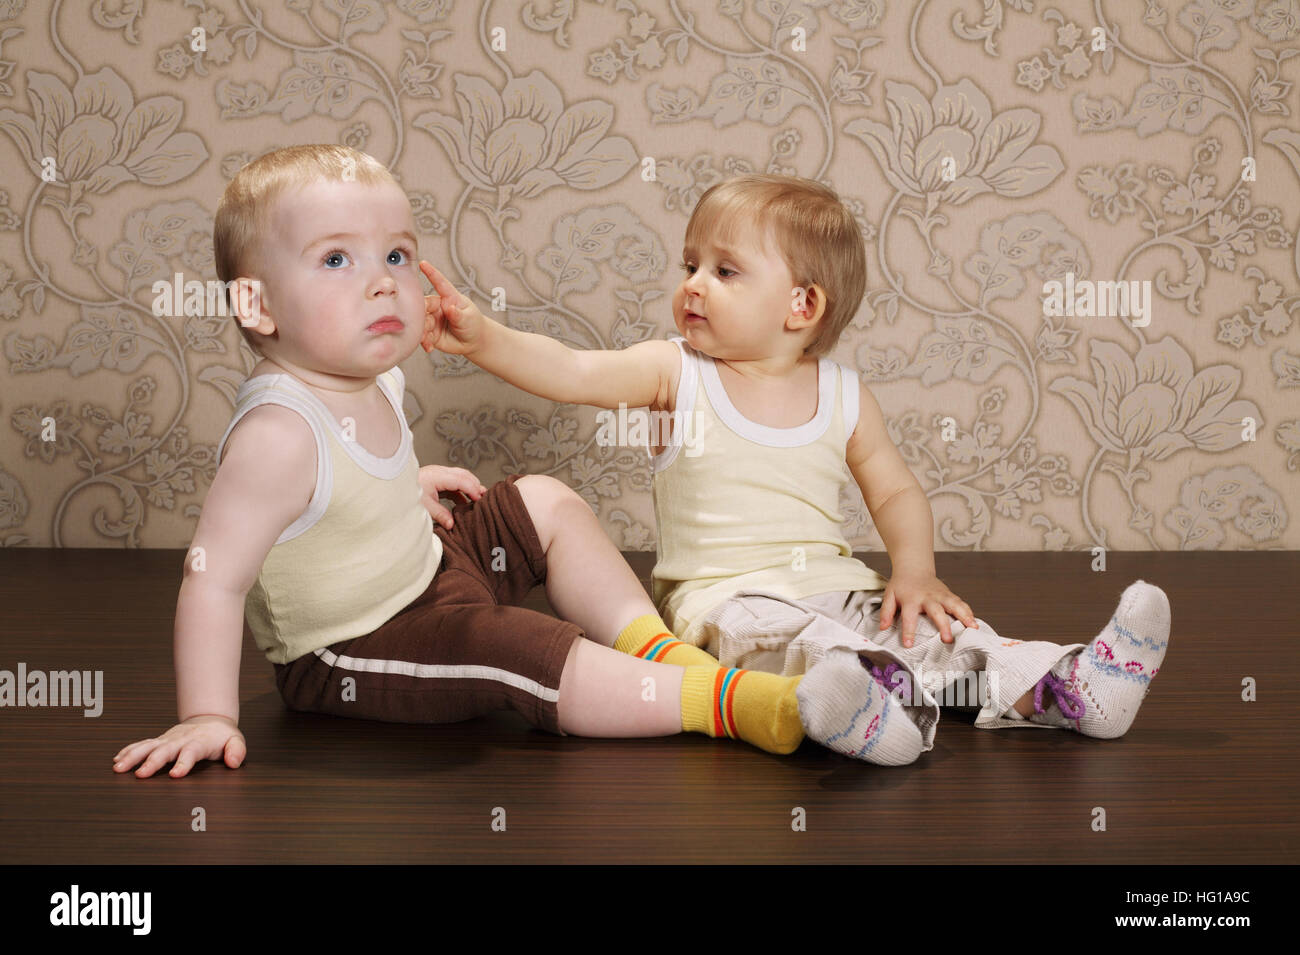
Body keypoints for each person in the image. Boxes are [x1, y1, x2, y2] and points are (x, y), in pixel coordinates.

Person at [112, 148, 885, 779]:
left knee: (541, 499)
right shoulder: (276, 434)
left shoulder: (370, 375)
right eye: (337, 259)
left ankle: (659, 647)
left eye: (397, 253)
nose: (384, 279)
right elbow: (214, 578)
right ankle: (746, 705)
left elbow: (333, 495)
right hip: (357, 643)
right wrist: (208, 714)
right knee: (511, 645)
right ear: (256, 307)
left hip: (425, 568)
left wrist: (402, 489)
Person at [418, 172, 1172, 766]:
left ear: (802, 303)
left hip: (840, 588)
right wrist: (482, 336)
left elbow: (897, 489)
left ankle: (1071, 684)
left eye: (724, 270)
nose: (693, 284)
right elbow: (573, 368)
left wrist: (914, 571)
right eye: (690, 264)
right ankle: (875, 708)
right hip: (726, 605)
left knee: (948, 644)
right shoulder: (674, 373)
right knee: (803, 647)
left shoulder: (843, 394)